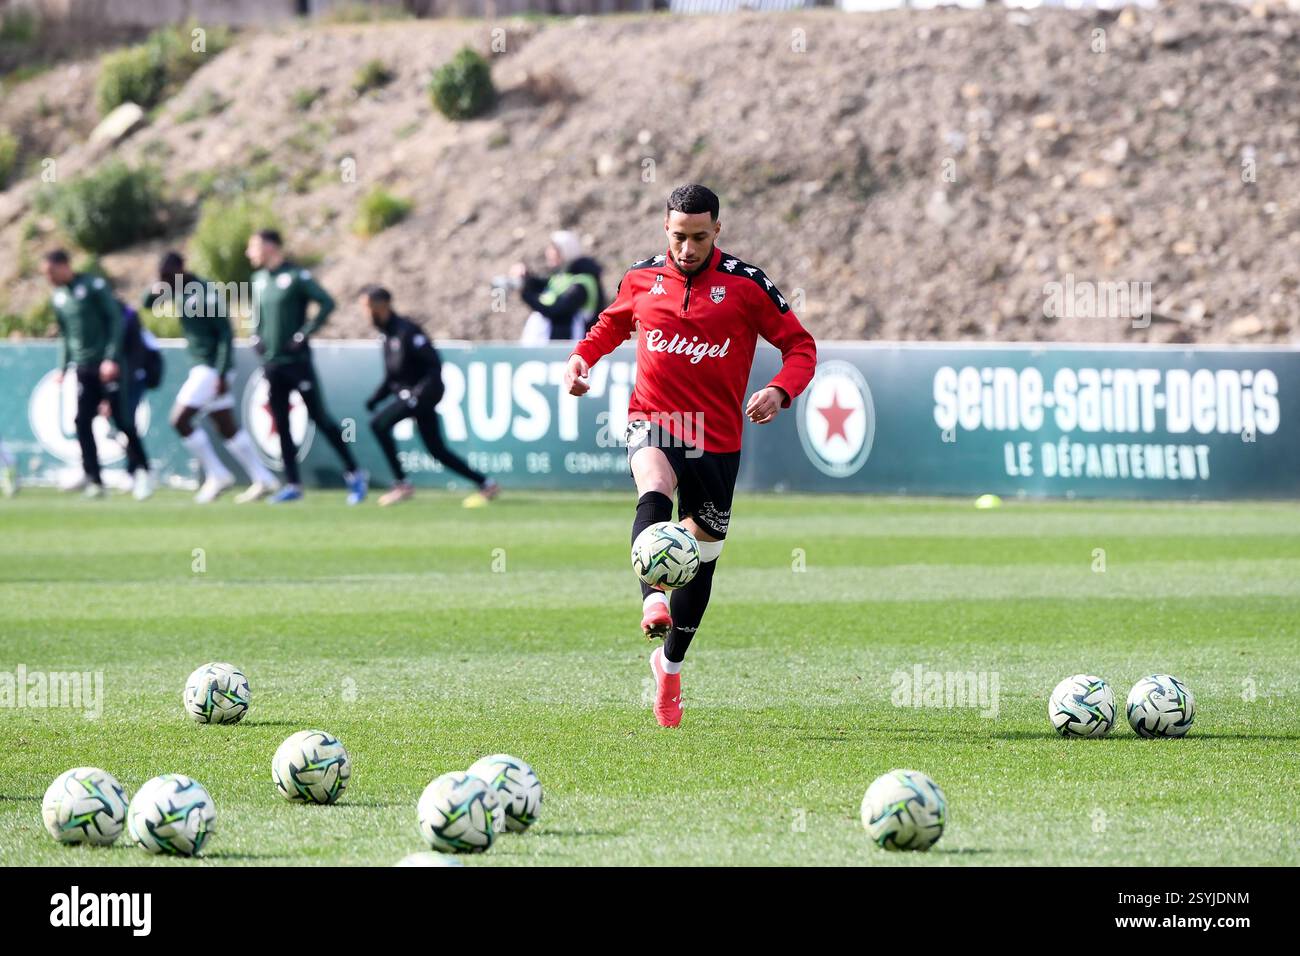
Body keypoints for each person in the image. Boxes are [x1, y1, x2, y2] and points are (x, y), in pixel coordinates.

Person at [564, 184, 816, 728]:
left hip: (718, 439)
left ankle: (670, 667)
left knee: (701, 561)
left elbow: (800, 346)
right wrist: (582, 359)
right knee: (652, 485)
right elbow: (611, 324)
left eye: (699, 237)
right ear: (666, 229)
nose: (687, 248)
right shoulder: (641, 277)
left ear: (716, 231)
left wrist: (780, 390)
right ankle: (651, 597)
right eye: (679, 236)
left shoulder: (747, 286)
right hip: (654, 418)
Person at [144, 251, 280, 503]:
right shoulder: (176, 290)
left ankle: (217, 473)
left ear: (182, 268)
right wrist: (159, 284)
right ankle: (263, 477)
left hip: (210, 367)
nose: (167, 279)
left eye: (169, 274)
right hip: (202, 366)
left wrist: (220, 372)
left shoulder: (204, 291)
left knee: (179, 419)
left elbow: (225, 334)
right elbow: (147, 304)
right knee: (225, 425)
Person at [245, 229, 367, 504]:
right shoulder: (258, 279)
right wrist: (255, 335)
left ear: (270, 246)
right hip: (271, 365)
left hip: (297, 364)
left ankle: (355, 473)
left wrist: (303, 333)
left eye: (252, 246)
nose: (249, 252)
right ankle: (293, 484)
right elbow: (255, 316)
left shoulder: (297, 277)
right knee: (281, 423)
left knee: (320, 418)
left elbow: (326, 302)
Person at [360, 286, 499, 508]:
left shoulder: (407, 331)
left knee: (379, 425)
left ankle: (402, 484)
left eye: (367, 308)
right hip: (409, 397)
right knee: (437, 450)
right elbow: (392, 377)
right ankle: (486, 483)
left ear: (381, 306)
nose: (365, 314)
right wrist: (375, 399)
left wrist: (419, 395)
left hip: (422, 395)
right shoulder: (387, 335)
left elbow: (433, 365)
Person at [42, 250, 153, 500]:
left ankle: (144, 471)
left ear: (64, 266)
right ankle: (94, 478)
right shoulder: (59, 297)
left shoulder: (93, 286)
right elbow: (66, 336)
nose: (48, 277)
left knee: (122, 420)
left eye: (50, 271)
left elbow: (115, 320)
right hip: (83, 367)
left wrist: (111, 357)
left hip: (107, 366)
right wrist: (63, 368)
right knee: (82, 422)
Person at [514, 231, 605, 344]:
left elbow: (557, 310)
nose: (548, 253)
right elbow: (539, 284)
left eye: (554, 250)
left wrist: (525, 294)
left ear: (565, 251)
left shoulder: (582, 282)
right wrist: (525, 276)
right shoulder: (563, 277)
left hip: (574, 348)